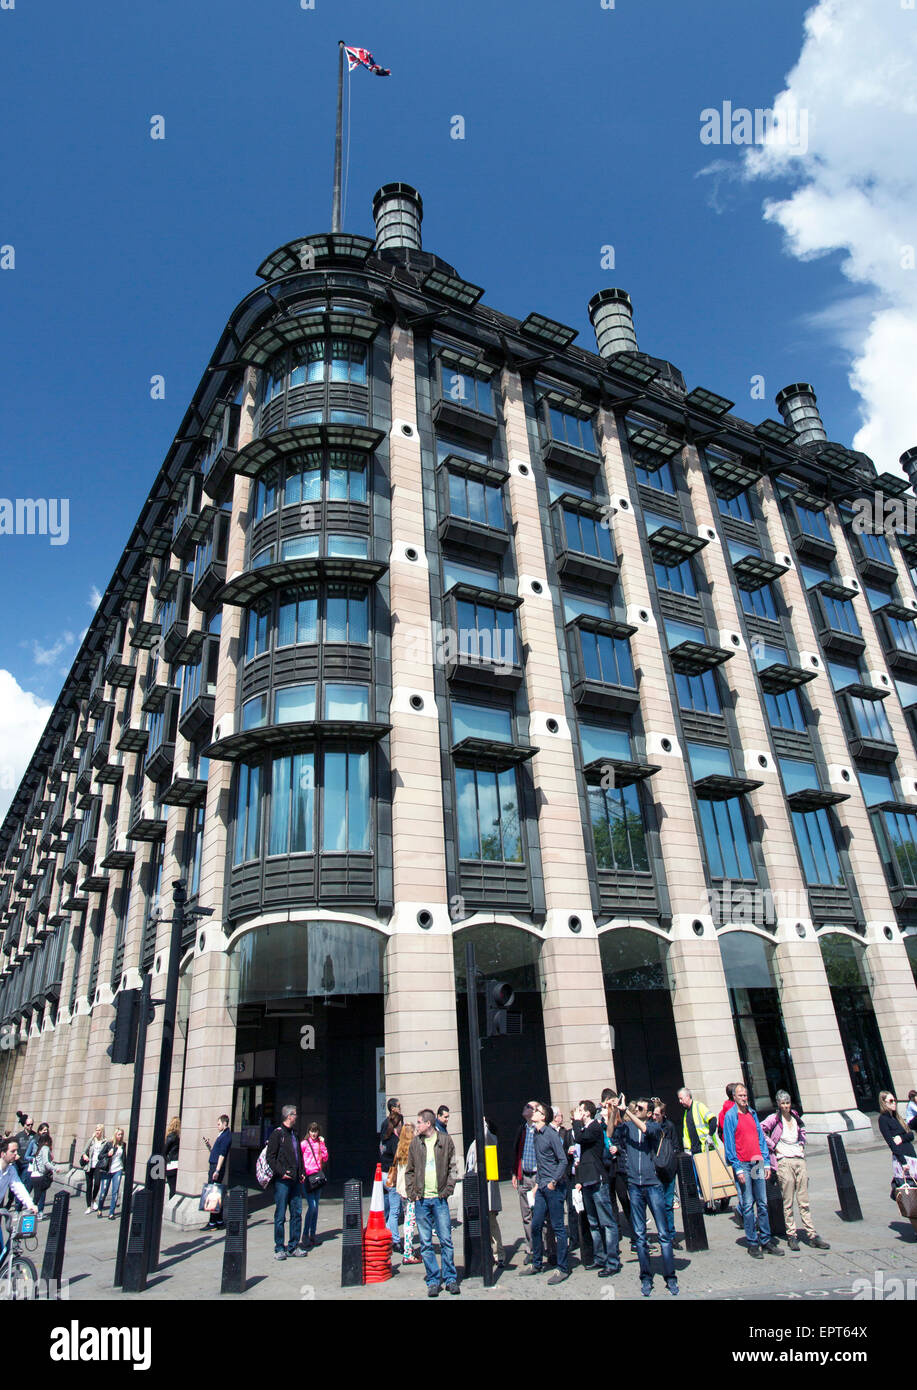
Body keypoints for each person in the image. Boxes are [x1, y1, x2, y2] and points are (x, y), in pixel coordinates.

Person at [616, 1097, 679, 1297]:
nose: (637, 1110)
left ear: (649, 1113)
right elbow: (612, 1132)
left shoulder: (655, 1128)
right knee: (640, 1236)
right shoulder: (628, 1127)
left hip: (653, 1185)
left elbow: (644, 1129)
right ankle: (646, 1277)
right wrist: (613, 1112)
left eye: (641, 1108)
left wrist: (628, 1111)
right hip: (635, 1185)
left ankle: (671, 1277)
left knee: (663, 1234)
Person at [762, 1091, 830, 1252]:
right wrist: (774, 1146)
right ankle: (791, 1235)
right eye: (783, 1103)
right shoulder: (774, 1119)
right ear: (778, 1104)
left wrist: (801, 1143)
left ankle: (811, 1234)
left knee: (804, 1200)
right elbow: (761, 1130)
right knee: (788, 1201)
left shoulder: (796, 1117)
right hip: (784, 1161)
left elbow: (803, 1130)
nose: (786, 1106)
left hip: (799, 1159)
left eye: (788, 1102)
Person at [723, 1084, 784, 1260]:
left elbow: (760, 1138)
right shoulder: (730, 1116)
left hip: (757, 1162)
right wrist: (737, 1168)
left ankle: (765, 1240)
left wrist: (765, 1162)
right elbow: (729, 1144)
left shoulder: (752, 1113)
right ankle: (752, 1242)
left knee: (762, 1203)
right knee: (748, 1204)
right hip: (743, 1164)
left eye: (745, 1095)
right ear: (734, 1097)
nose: (744, 1098)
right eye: (741, 1095)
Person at [405, 1107, 459, 1296]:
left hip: (439, 1198)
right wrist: (412, 1193)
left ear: (428, 1123)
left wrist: (448, 1189)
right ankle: (433, 1279)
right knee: (426, 1243)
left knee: (446, 1240)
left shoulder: (445, 1140)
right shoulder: (415, 1144)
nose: (416, 1125)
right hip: (421, 1200)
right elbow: (409, 1170)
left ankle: (451, 1278)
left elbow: (453, 1166)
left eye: (419, 1122)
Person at [520, 1101, 569, 1285]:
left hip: (553, 1187)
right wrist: (538, 1183)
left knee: (557, 1228)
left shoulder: (551, 1134)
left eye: (537, 1110)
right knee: (536, 1225)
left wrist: (553, 1182)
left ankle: (563, 1268)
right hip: (541, 1187)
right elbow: (541, 1161)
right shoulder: (535, 1134)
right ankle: (537, 1263)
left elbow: (562, 1160)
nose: (533, 1112)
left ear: (543, 1116)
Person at [572, 1100, 620, 1278]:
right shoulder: (585, 1129)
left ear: (587, 1113)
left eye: (580, 1110)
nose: (577, 1113)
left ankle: (612, 1261)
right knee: (593, 1223)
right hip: (586, 1179)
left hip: (597, 1178)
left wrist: (577, 1122)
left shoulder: (594, 1127)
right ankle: (600, 1257)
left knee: (606, 1222)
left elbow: (579, 1138)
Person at [266, 1104, 306, 1260]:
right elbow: (270, 1157)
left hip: (295, 1180)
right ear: (289, 1116)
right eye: (294, 1114)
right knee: (280, 1215)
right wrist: (282, 1173)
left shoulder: (294, 1134)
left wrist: (301, 1172)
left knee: (296, 1213)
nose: (296, 1116)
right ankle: (279, 1247)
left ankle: (293, 1246)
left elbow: (299, 1156)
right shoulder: (277, 1134)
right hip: (282, 1181)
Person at [464, 1116, 505, 1268]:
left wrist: (484, 1122)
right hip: (475, 1188)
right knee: (481, 1223)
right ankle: (486, 1252)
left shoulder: (490, 1140)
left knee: (491, 1222)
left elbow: (488, 1135)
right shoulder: (474, 1144)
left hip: (487, 1188)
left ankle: (498, 1253)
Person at [0, 1139, 38, 1266]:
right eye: (12, 1151)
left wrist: (30, 1204)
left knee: (1, 1250)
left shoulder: (10, 1170)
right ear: (2, 1154)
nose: (16, 1154)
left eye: (16, 1151)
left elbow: (18, 1187)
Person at [651, 1099, 680, 1250]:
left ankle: (671, 1235)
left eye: (657, 1114)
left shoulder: (669, 1127)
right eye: (653, 1114)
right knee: (658, 1204)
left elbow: (675, 1146)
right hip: (655, 1170)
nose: (654, 1117)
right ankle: (664, 1233)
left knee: (668, 1203)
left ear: (663, 1114)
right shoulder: (650, 1127)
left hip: (668, 1169)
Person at [392, 1123, 421, 1266]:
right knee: (410, 1222)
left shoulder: (400, 1149)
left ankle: (408, 1249)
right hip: (410, 1191)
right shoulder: (412, 1150)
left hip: (401, 1189)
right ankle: (408, 1252)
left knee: (408, 1219)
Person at [878, 1090, 917, 1195]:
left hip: (912, 1156)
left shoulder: (897, 1117)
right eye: (891, 1101)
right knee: (909, 1191)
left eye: (894, 1100)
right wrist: (903, 1162)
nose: (894, 1102)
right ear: (884, 1103)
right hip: (903, 1158)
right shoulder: (883, 1119)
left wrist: (901, 1138)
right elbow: (892, 1144)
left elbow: (911, 1135)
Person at [379, 1098, 403, 1251]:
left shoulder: (383, 1137)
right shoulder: (394, 1139)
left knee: (389, 1206)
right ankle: (393, 1239)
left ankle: (386, 1232)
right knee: (395, 1209)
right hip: (390, 1175)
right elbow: (398, 1158)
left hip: (383, 1173)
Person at [299, 1121, 328, 1249]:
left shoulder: (320, 1143)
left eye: (315, 1131)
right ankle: (305, 1234)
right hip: (308, 1177)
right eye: (311, 1131)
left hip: (318, 1177)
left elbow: (326, 1158)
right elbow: (299, 1158)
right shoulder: (304, 1144)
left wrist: (323, 1145)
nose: (314, 1133)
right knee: (313, 1206)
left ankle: (312, 1234)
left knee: (315, 1208)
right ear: (308, 1132)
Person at [201, 1115, 231, 1231]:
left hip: (216, 1168)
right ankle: (219, 1220)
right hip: (215, 1166)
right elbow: (217, 1152)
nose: (217, 1126)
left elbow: (222, 1154)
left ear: (225, 1124)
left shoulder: (226, 1137)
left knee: (213, 1194)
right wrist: (210, 1146)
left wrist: (217, 1170)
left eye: (219, 1124)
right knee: (217, 1193)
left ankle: (213, 1222)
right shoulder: (222, 1135)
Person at [96, 1128, 126, 1220]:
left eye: (121, 1134)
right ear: (115, 1135)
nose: (120, 1136)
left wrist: (125, 1168)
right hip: (107, 1171)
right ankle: (100, 1208)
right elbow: (100, 1156)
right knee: (103, 1192)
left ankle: (111, 1213)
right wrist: (108, 1154)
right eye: (118, 1134)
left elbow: (124, 1157)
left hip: (118, 1170)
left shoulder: (123, 1145)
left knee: (115, 1191)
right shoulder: (109, 1144)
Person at [80, 1123, 106, 1212]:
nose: (97, 1131)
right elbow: (83, 1151)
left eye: (99, 1130)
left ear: (102, 1131)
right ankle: (88, 1206)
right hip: (89, 1165)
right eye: (96, 1130)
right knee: (89, 1185)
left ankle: (94, 1199)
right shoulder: (91, 1140)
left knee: (97, 1183)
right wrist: (85, 1156)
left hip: (98, 1165)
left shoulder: (104, 1142)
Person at [28, 1130, 54, 1218]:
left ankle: (33, 1212)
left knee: (36, 1196)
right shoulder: (45, 1148)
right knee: (38, 1196)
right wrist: (55, 1168)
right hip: (40, 1176)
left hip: (34, 1175)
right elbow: (46, 1163)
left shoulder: (38, 1148)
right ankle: (34, 1213)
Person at [164, 1117, 180, 1199]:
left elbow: (165, 1151)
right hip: (176, 1164)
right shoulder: (178, 1137)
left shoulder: (170, 1137)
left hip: (171, 1165)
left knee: (172, 1188)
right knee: (174, 1188)